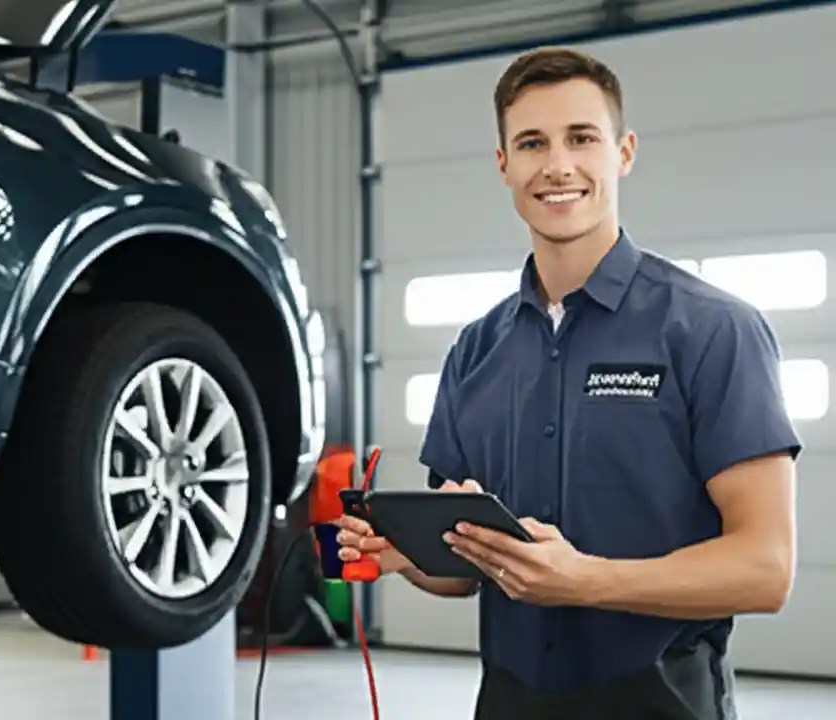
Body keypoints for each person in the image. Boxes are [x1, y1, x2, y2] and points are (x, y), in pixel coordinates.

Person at [335, 45, 801, 720]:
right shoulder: (475, 350)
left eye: (581, 138)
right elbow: (460, 572)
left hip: (661, 705)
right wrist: (403, 555)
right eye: (531, 143)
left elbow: (766, 568)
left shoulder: (712, 331)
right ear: (503, 164)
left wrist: (585, 580)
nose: (557, 166)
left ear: (624, 151)